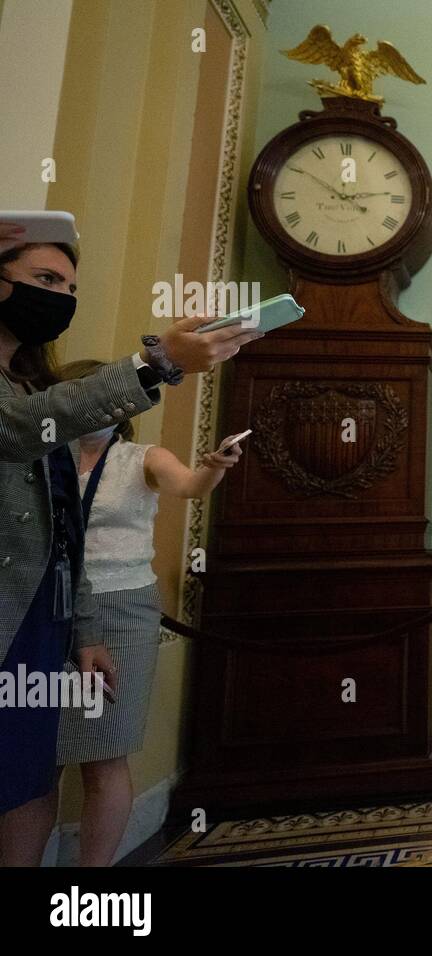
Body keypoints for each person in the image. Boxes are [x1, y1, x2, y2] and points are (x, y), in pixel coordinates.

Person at [0, 222, 259, 866]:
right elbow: (23, 428)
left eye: (70, 286)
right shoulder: (32, 413)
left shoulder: (58, 408)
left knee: (32, 778)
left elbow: (64, 539)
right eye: (45, 280)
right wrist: (158, 360)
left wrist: (83, 630)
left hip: (55, 622)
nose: (61, 297)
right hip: (14, 622)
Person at [40, 359, 244, 865]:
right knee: (40, 757)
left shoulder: (141, 458)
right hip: (50, 608)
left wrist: (213, 468)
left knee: (105, 752)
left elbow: (189, 485)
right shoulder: (43, 457)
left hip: (122, 607)